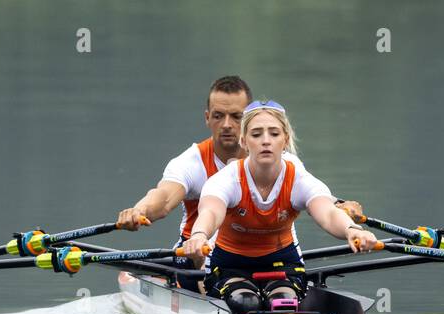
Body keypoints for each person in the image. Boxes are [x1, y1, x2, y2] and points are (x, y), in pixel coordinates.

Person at [176, 100, 378, 314]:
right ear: (244, 141)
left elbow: (328, 213)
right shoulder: (226, 180)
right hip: (230, 262)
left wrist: (352, 230)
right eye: (256, 134)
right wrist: (198, 235)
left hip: (281, 262)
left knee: (284, 302)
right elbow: (210, 212)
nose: (265, 141)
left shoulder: (299, 179)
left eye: (274, 134)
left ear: (286, 140)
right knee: (244, 302)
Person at [114, 77, 363, 252]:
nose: (226, 125)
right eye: (218, 115)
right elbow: (164, 198)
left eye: (236, 117)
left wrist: (340, 207)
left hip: (273, 256)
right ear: (207, 118)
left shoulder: (285, 161)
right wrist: (140, 210)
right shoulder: (191, 162)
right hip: (198, 252)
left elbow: (315, 197)